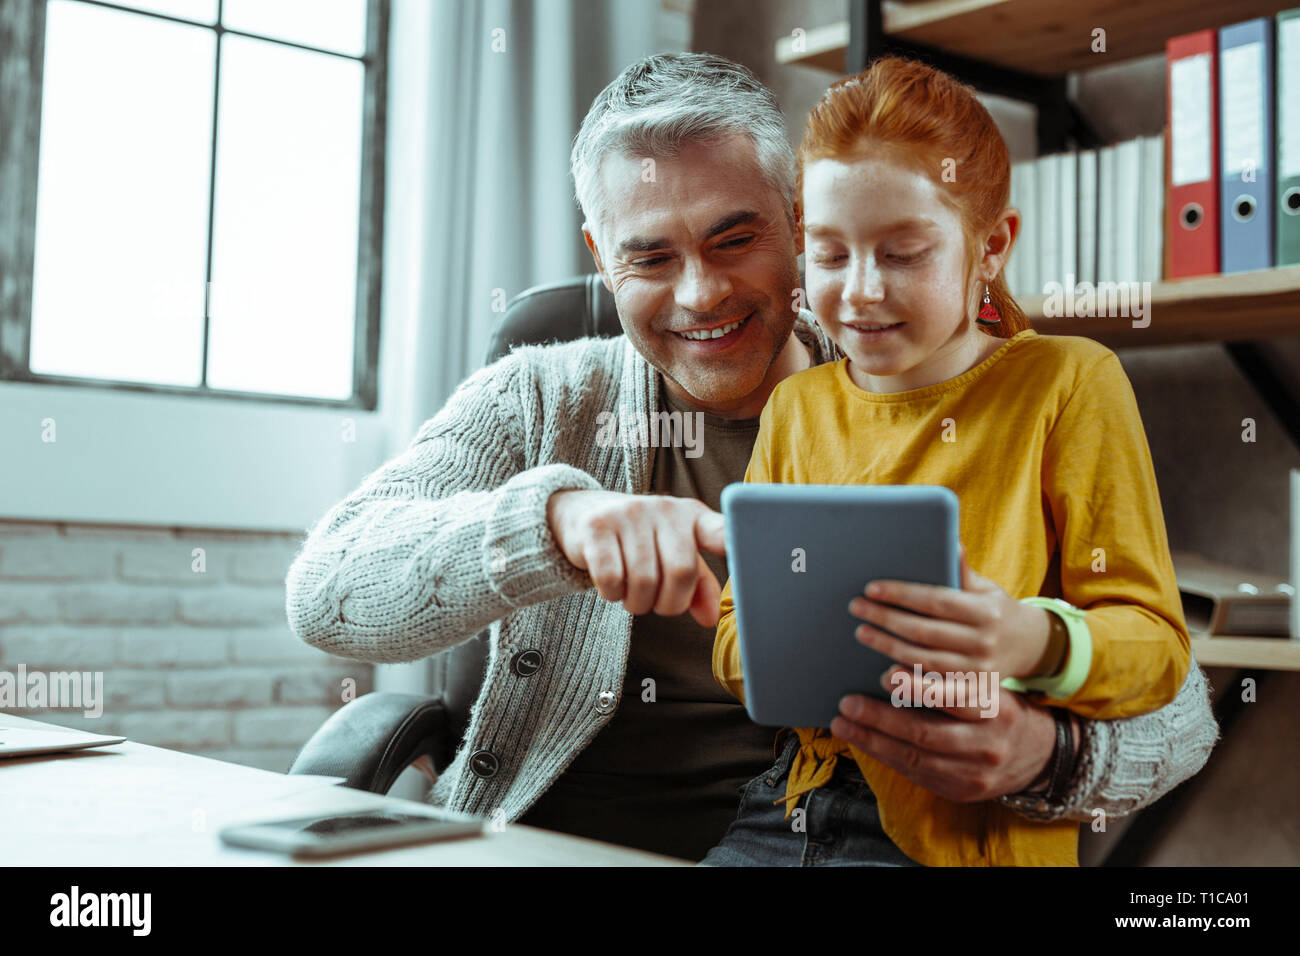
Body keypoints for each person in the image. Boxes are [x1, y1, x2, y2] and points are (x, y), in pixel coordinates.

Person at [285, 52, 1218, 863]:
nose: (699, 293)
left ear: (793, 215)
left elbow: (1179, 706)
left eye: (737, 237)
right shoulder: (542, 397)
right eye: (648, 257)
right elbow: (326, 588)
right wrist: (554, 523)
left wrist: (1051, 755)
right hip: (555, 841)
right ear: (600, 257)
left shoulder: (958, 383)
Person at [705, 57, 1191, 867]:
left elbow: (1156, 646)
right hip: (790, 811)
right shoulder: (797, 406)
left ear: (991, 244)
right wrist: (783, 648)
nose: (859, 292)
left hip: (967, 834)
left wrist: (1031, 641)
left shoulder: (1068, 383)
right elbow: (730, 635)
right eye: (829, 255)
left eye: (902, 254)